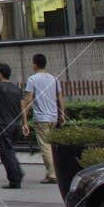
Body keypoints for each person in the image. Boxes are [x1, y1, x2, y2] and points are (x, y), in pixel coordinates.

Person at [24, 53, 63, 184]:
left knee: (45, 146)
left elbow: (28, 100)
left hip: (41, 117)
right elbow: (60, 97)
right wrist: (62, 114)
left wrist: (24, 119)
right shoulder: (54, 79)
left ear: (35, 64)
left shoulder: (32, 79)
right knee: (51, 146)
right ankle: (50, 173)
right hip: (54, 117)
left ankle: (52, 174)